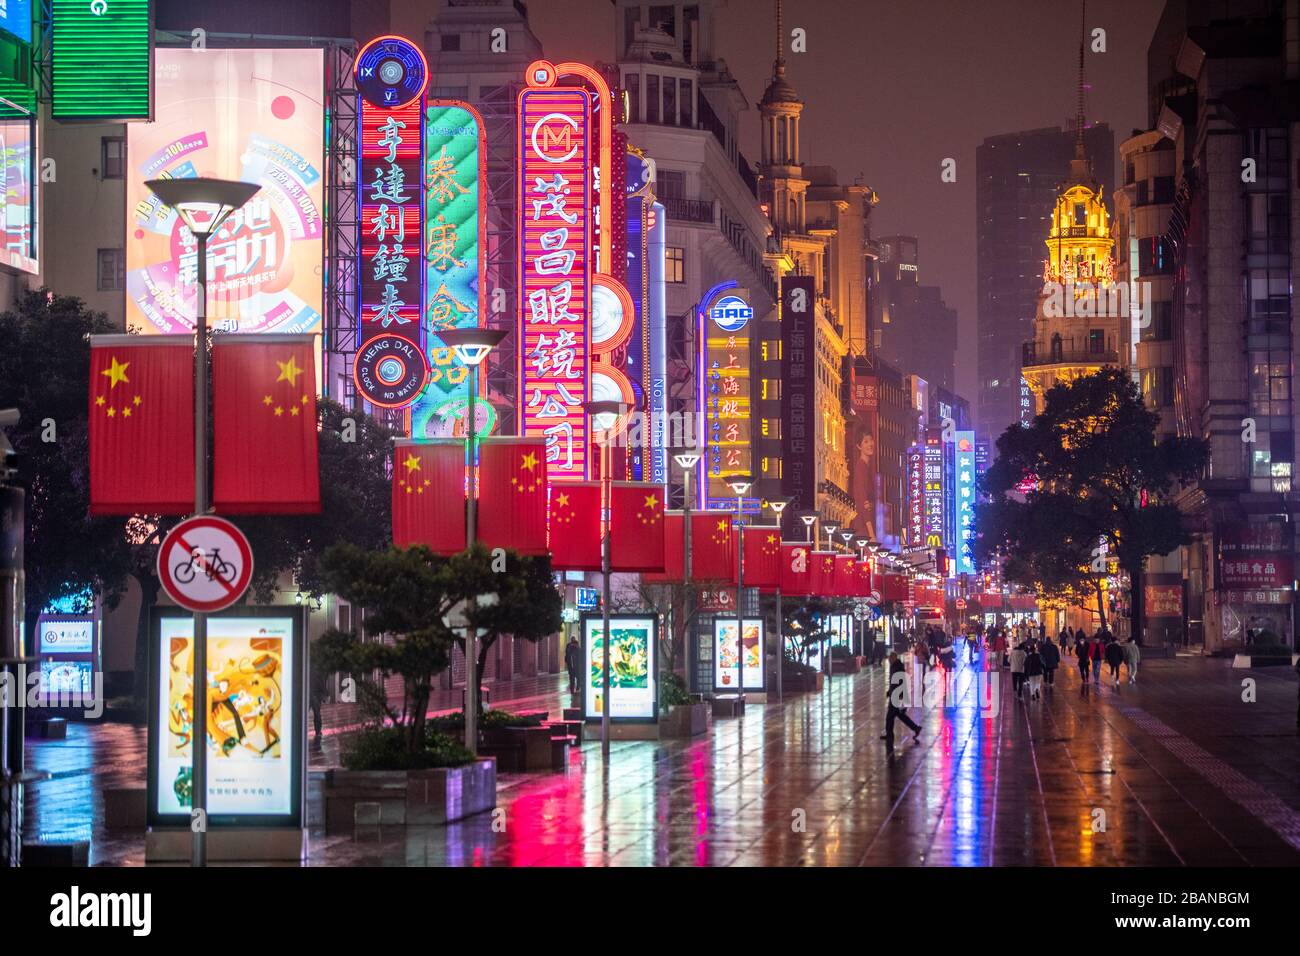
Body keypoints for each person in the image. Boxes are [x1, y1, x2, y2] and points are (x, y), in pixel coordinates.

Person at [881, 652, 922, 745]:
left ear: (894, 658)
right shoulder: (895, 666)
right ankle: (915, 728)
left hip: (896, 696)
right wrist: (890, 691)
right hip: (895, 694)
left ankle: (890, 735)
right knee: (899, 715)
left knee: (890, 716)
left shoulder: (897, 668)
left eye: (890, 659)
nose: (889, 660)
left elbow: (900, 683)